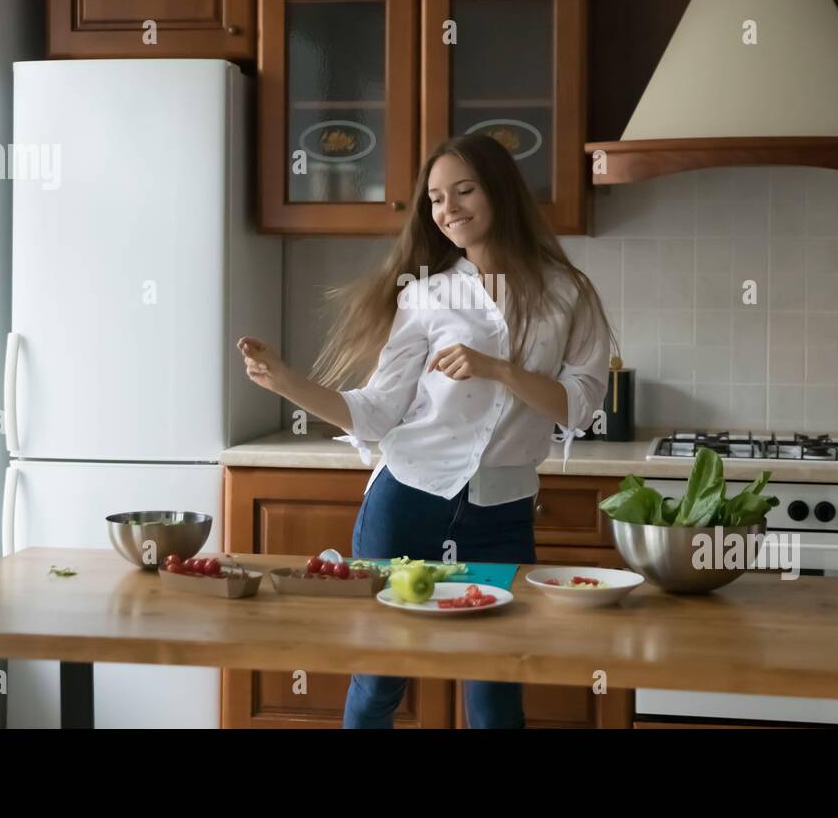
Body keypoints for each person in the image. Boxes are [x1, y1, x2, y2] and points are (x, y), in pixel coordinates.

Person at [237, 133, 614, 728]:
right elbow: (376, 411)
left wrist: (498, 370)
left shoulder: (569, 294)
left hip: (501, 516)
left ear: (501, 193)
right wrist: (286, 382)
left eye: (464, 191)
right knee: (381, 676)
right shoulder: (426, 295)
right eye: (436, 198)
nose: (448, 209)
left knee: (496, 690)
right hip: (408, 502)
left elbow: (578, 409)